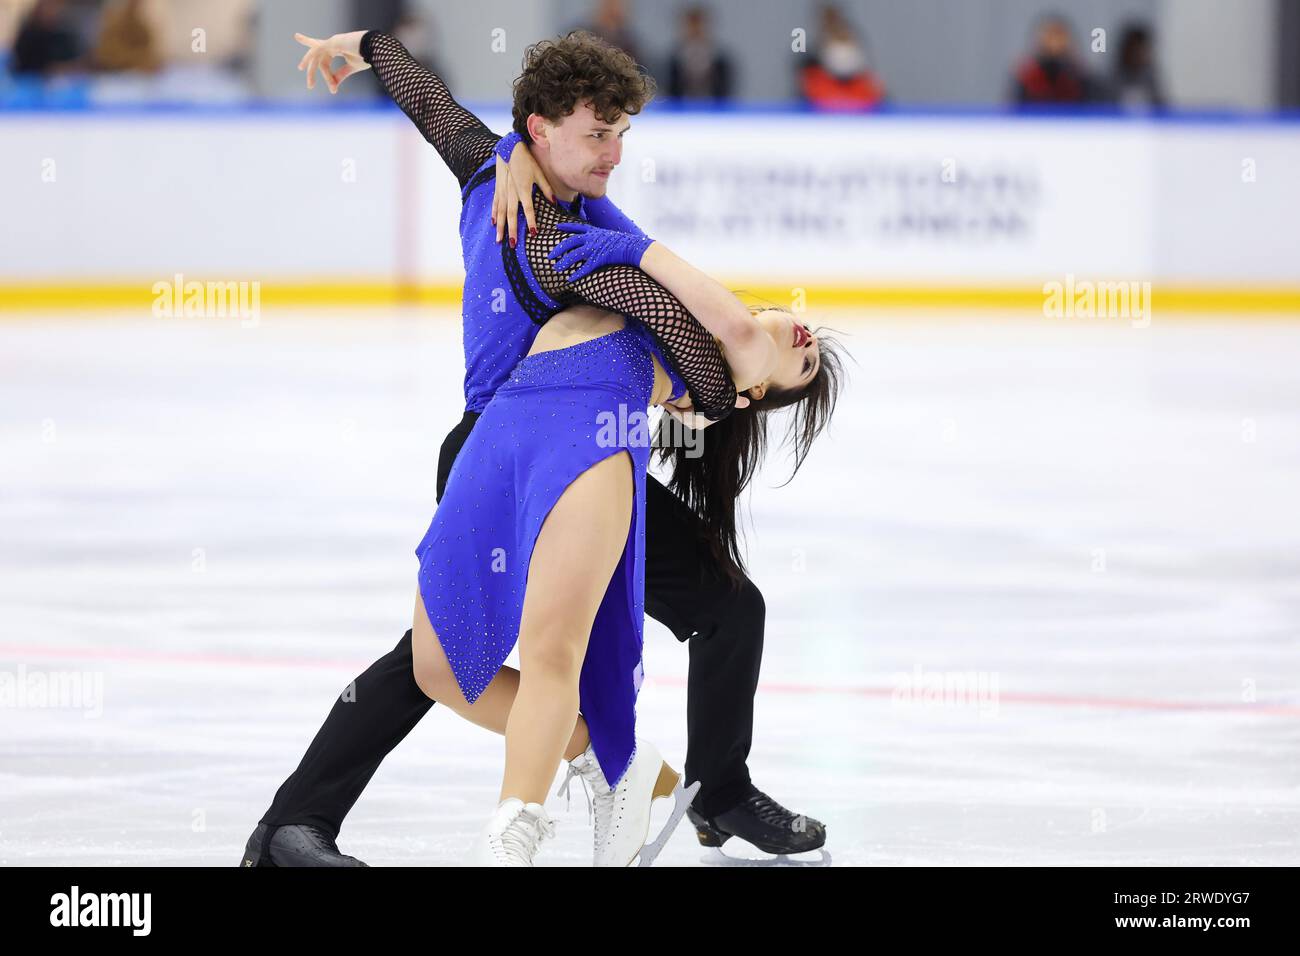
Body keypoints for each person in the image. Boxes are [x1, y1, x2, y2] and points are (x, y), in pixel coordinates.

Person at [242, 26, 840, 866]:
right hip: (496, 443)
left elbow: (690, 335)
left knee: (723, 609)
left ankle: (711, 791)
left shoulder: (578, 210)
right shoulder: (512, 187)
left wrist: (719, 386)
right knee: (440, 658)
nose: (614, 155)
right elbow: (433, 105)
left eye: (621, 135)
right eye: (599, 134)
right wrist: (371, 43)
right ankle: (615, 771)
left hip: (584, 443)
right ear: (540, 128)